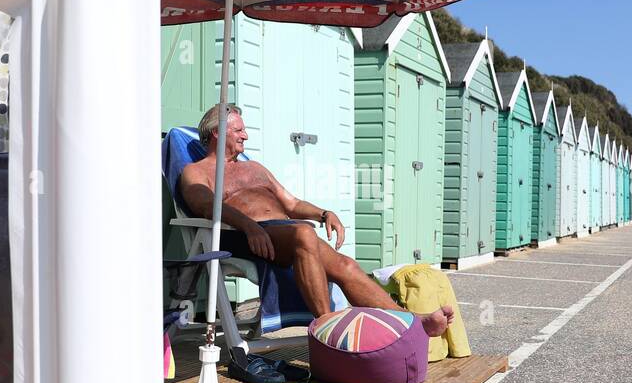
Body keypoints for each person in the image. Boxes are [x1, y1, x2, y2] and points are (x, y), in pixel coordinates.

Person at [180, 103, 453, 336]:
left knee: (345, 265)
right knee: (304, 233)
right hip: (242, 236)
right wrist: (250, 226)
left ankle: (411, 323)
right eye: (239, 130)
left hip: (284, 233)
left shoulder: (254, 168)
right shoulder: (197, 172)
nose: (246, 136)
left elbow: (291, 204)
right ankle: (327, 328)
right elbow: (204, 204)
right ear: (217, 132)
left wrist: (323, 214)